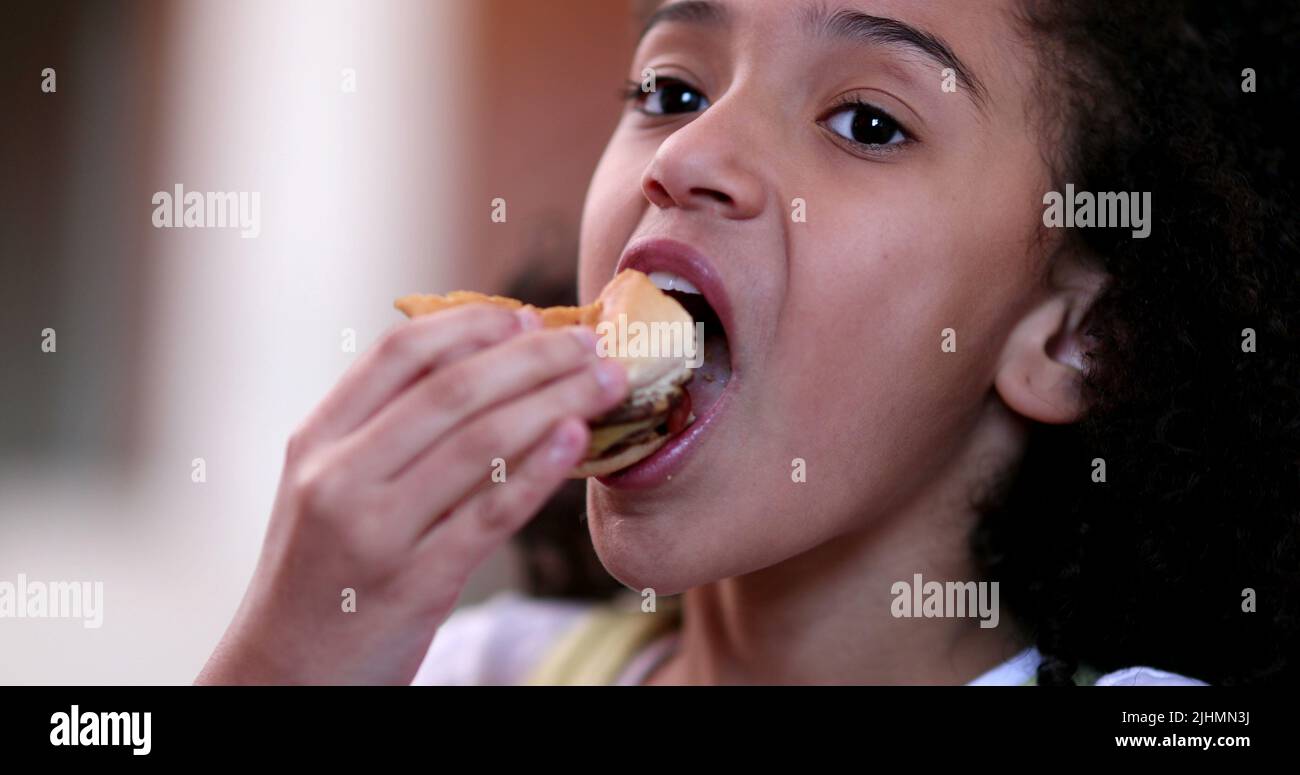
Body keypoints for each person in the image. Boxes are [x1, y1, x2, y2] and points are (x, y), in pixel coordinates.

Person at [197, 0, 1298, 686]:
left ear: (1075, 337)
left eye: (866, 122)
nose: (692, 151)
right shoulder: (475, 669)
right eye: (671, 88)